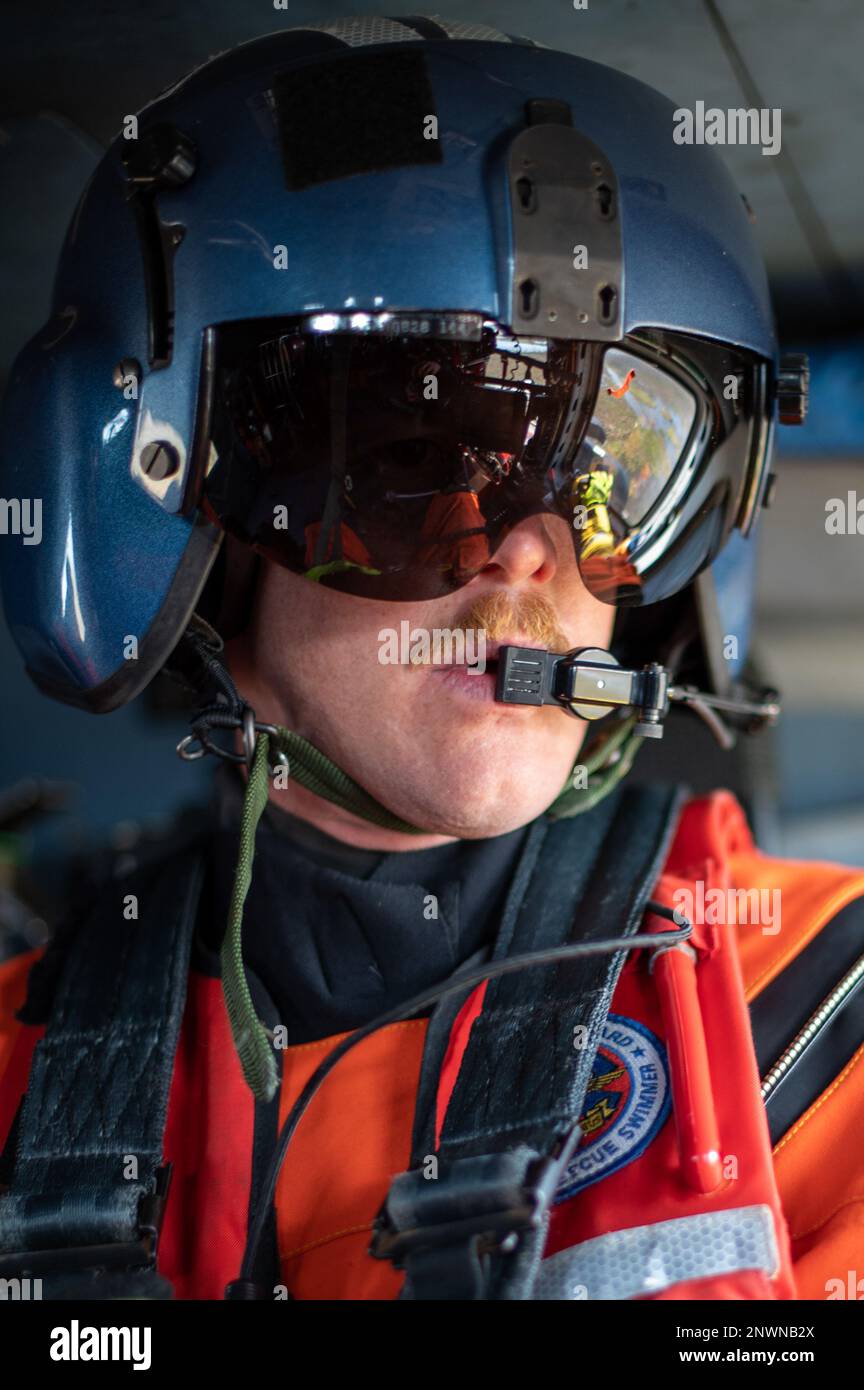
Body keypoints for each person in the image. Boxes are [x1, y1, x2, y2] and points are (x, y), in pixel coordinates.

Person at [0, 17, 859, 1304]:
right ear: (190, 537)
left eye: (602, 487)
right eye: (413, 473)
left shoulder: (816, 1008)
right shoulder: (14, 1065)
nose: (529, 557)